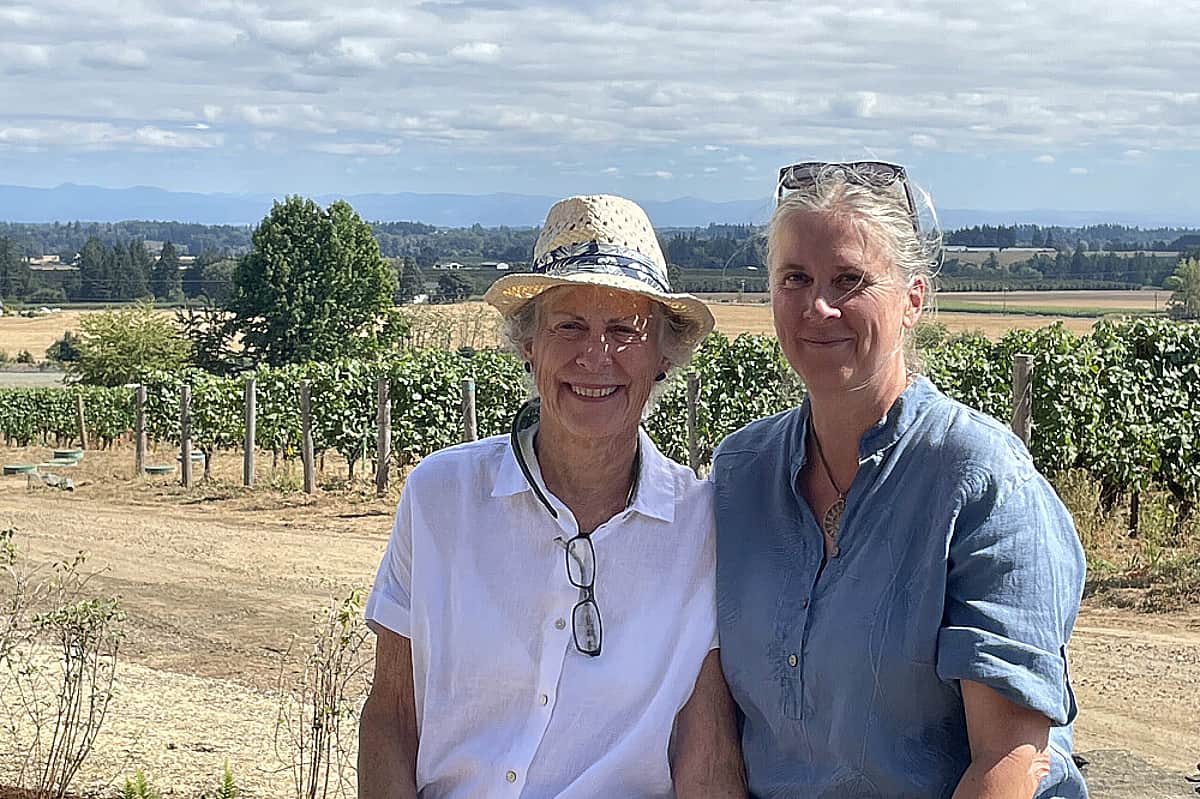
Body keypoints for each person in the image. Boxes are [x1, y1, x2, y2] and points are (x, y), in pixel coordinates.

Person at [712, 161, 1087, 798]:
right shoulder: (739, 475)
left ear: (913, 299)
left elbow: (1007, 762)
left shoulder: (979, 481)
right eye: (795, 278)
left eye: (849, 280)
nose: (818, 307)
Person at [359, 194, 747, 798]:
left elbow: (707, 747)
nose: (595, 355)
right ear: (529, 344)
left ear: (663, 357)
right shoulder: (441, 497)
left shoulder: (701, 525)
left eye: (624, 330)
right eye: (569, 326)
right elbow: (391, 717)